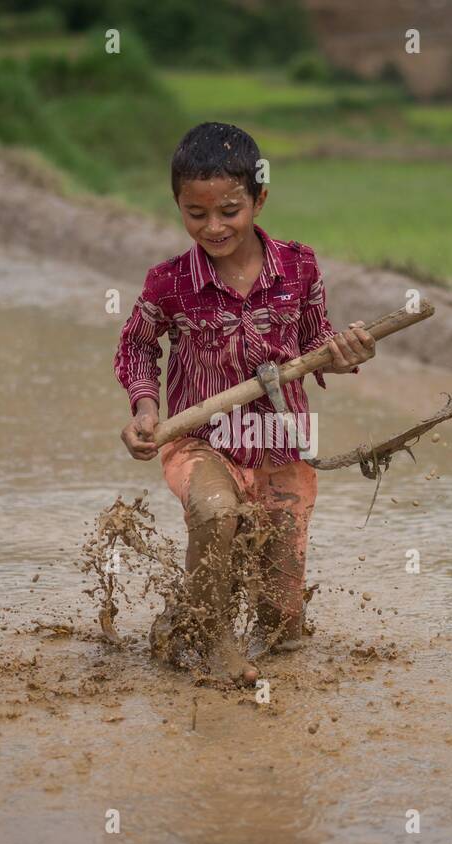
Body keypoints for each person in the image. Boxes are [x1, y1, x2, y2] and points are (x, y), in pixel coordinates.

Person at [114, 121, 376, 684]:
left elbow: (316, 345)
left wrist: (347, 352)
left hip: (281, 449)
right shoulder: (169, 283)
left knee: (281, 624)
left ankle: (186, 618)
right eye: (195, 213)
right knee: (215, 511)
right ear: (178, 206)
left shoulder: (299, 267)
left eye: (229, 210)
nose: (213, 227)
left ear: (259, 198)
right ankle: (212, 643)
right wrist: (143, 409)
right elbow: (136, 344)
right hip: (201, 442)